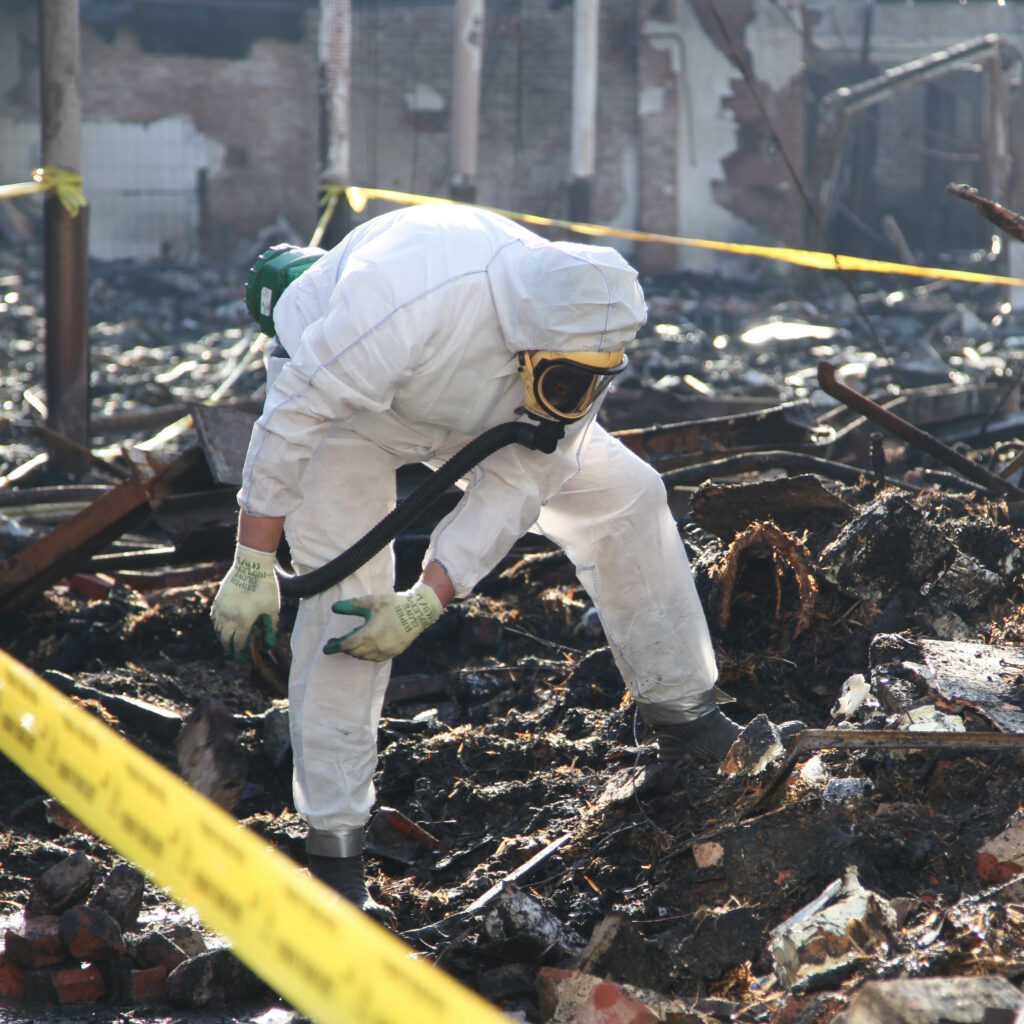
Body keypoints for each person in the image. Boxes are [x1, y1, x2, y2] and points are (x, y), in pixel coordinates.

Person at [210, 202, 741, 922]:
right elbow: (295, 416)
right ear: (525, 344)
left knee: (628, 498)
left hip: (478, 406)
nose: (574, 402)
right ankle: (334, 850)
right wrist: (251, 560)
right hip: (346, 418)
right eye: (562, 383)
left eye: (590, 383)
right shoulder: (410, 294)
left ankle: (687, 716)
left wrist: (429, 596)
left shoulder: (583, 337)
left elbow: (520, 481)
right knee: (347, 609)